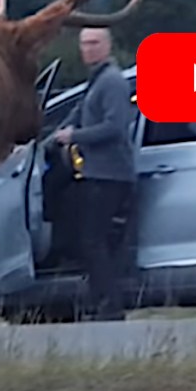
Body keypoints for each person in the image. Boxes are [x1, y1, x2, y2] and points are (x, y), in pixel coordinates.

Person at [52, 27, 135, 320]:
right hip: (95, 173)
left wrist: (75, 135)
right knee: (91, 240)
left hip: (109, 174)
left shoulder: (111, 82)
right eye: (84, 43)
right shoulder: (96, 81)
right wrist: (50, 137)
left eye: (94, 43)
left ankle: (110, 305)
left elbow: (115, 126)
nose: (88, 49)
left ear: (108, 46)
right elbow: (75, 116)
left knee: (93, 241)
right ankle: (98, 300)